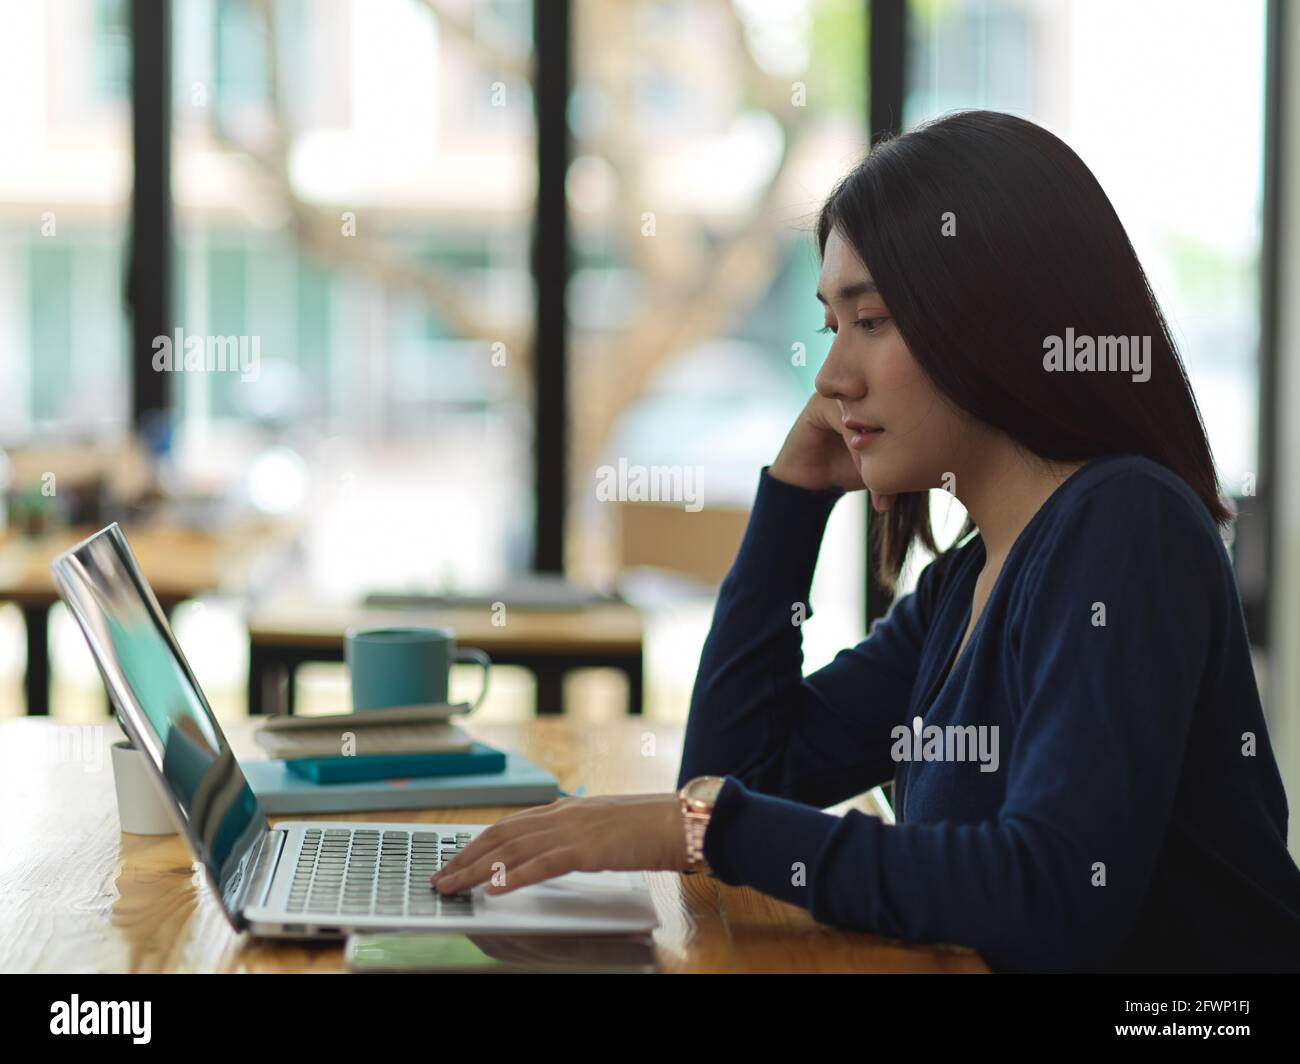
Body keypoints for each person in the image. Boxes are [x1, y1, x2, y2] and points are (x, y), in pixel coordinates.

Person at [431, 110, 1300, 973]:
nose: (832, 376)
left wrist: (701, 826)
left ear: (995, 316)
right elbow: (741, 769)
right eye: (831, 325)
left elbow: (1056, 897)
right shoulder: (969, 580)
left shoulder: (1124, 527)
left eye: (873, 321)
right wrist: (793, 499)